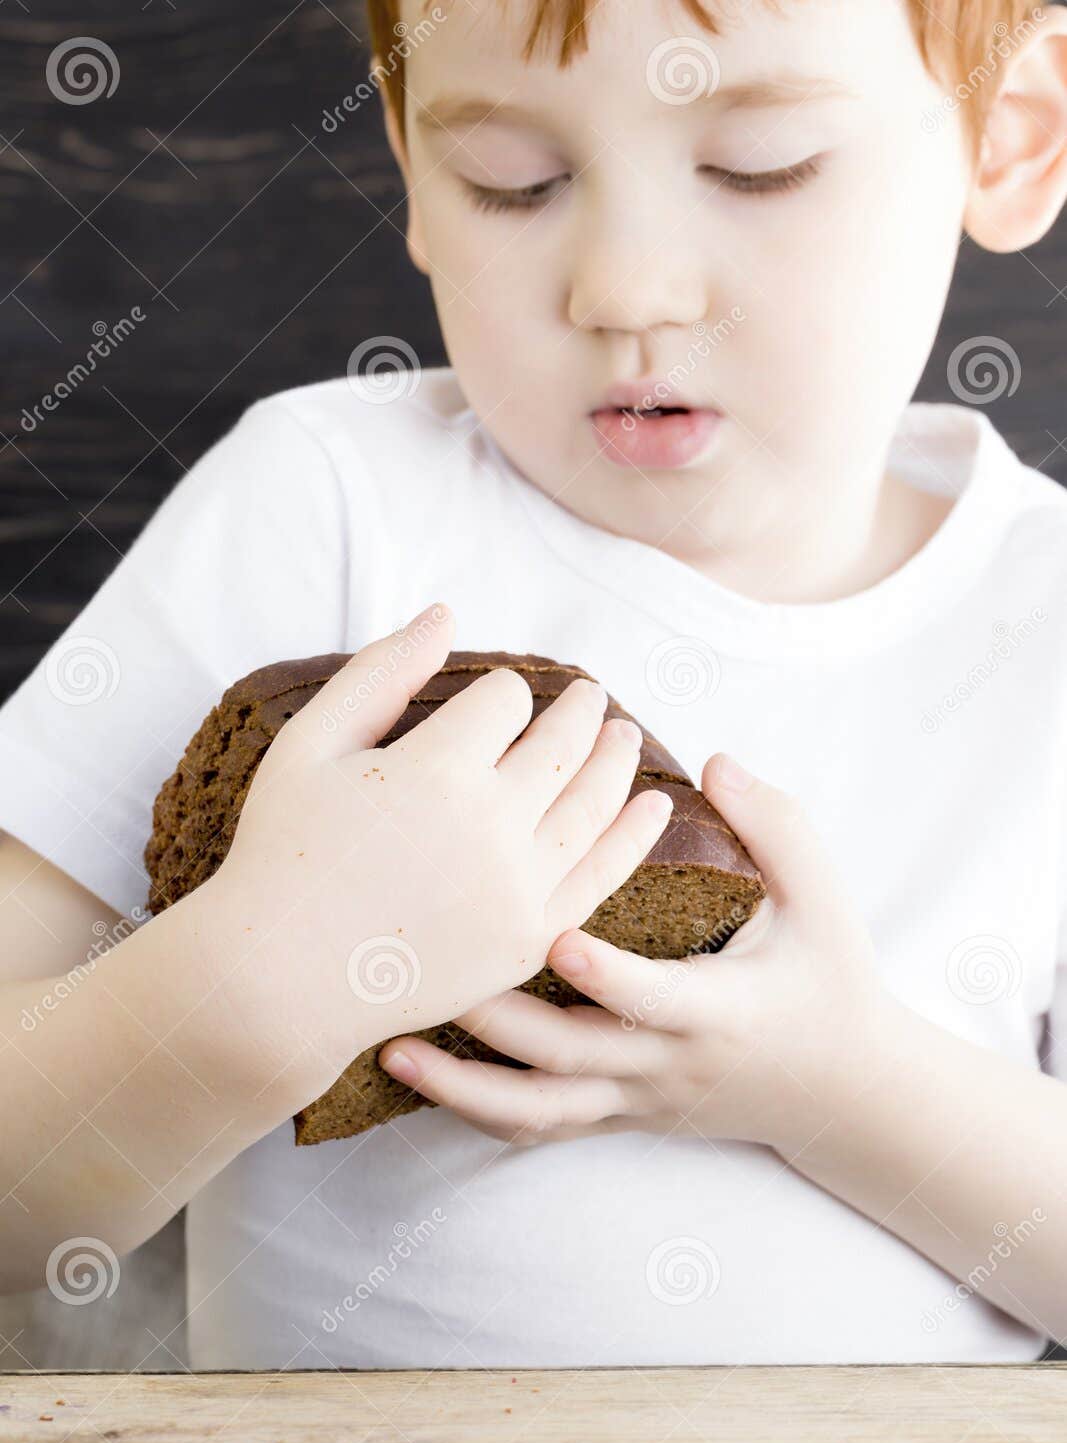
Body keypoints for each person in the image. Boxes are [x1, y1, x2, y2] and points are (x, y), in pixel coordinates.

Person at [1, 0, 1066, 1367]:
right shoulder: (325, 512)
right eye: (515, 180)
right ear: (411, 168)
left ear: (1012, 138)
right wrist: (258, 982)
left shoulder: (1038, 625)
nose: (624, 288)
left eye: (760, 165)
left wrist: (841, 1087)